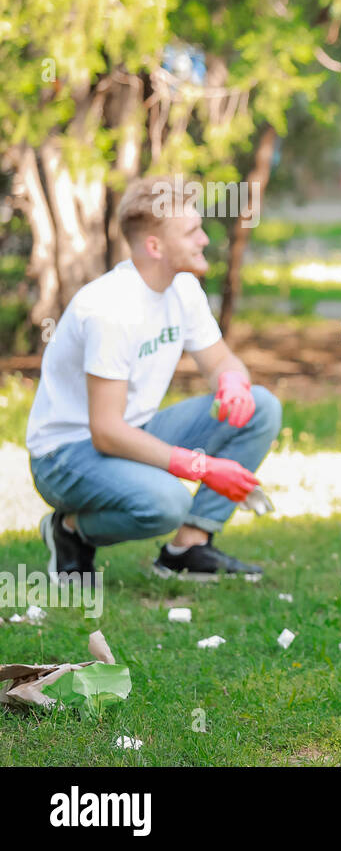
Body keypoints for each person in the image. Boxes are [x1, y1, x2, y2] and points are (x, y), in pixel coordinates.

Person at [29, 174, 281, 581]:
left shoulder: (182, 288)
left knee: (262, 406)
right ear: (154, 246)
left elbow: (222, 362)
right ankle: (70, 531)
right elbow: (106, 432)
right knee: (167, 502)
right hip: (65, 456)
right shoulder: (110, 309)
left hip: (134, 431)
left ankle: (187, 548)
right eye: (192, 231)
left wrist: (232, 381)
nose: (204, 239)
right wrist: (204, 467)